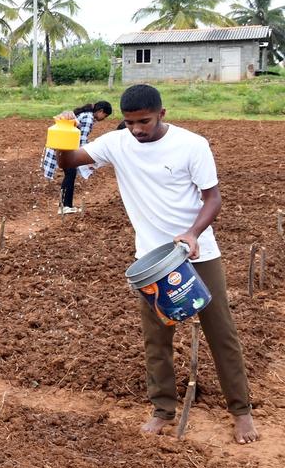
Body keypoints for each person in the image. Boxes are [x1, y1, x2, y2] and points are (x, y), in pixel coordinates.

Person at [55, 84, 258, 445]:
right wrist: (64, 132)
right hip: (152, 260)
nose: (137, 129)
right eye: (130, 122)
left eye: (144, 121)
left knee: (221, 332)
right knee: (157, 338)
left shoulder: (192, 145)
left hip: (197, 253)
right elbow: (68, 162)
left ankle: (241, 411)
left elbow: (213, 198)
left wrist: (193, 233)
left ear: (162, 114)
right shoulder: (117, 143)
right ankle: (162, 409)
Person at [41, 101, 112, 214]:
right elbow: (82, 140)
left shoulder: (85, 114)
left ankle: (65, 205)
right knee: (70, 174)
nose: (104, 118)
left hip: (62, 144)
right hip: (65, 147)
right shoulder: (88, 118)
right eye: (105, 116)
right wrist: (87, 157)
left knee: (70, 173)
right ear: (101, 111)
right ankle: (65, 206)